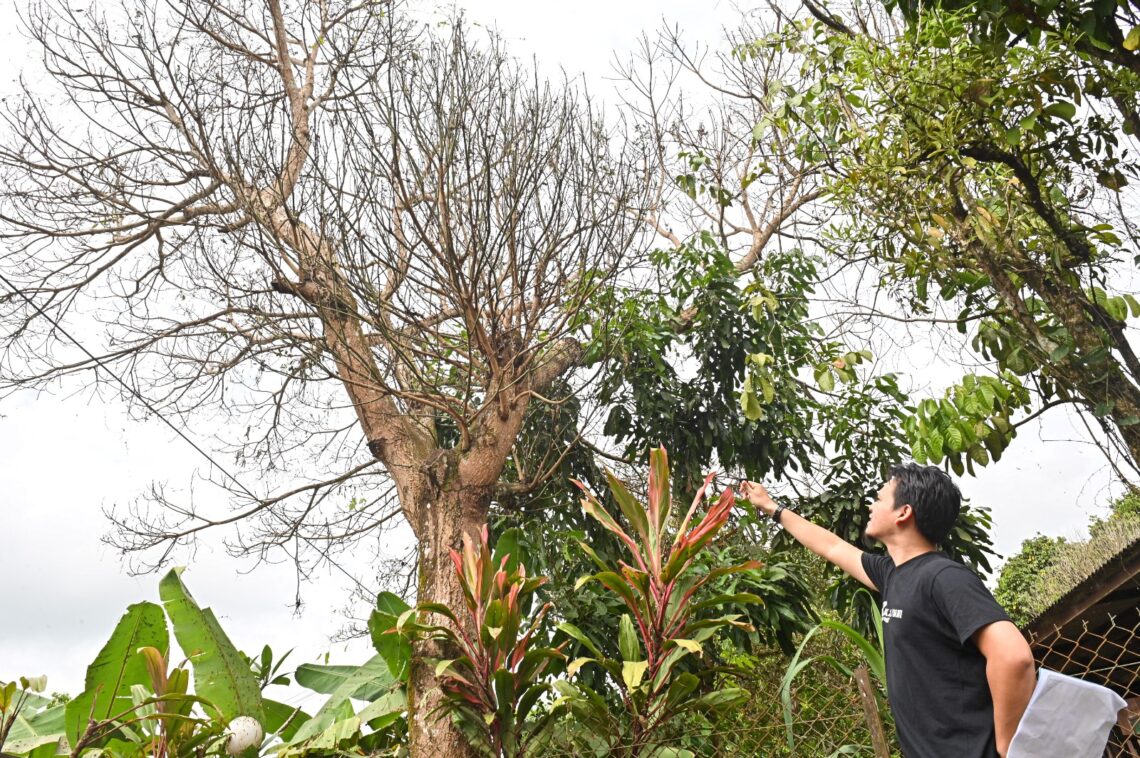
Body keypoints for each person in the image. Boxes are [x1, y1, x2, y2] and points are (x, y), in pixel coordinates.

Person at [740, 463, 1036, 758]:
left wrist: (1009, 744)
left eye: (880, 498)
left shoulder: (944, 577)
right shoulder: (892, 575)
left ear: (903, 513)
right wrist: (771, 507)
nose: (871, 506)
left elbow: (1013, 657)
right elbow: (830, 546)